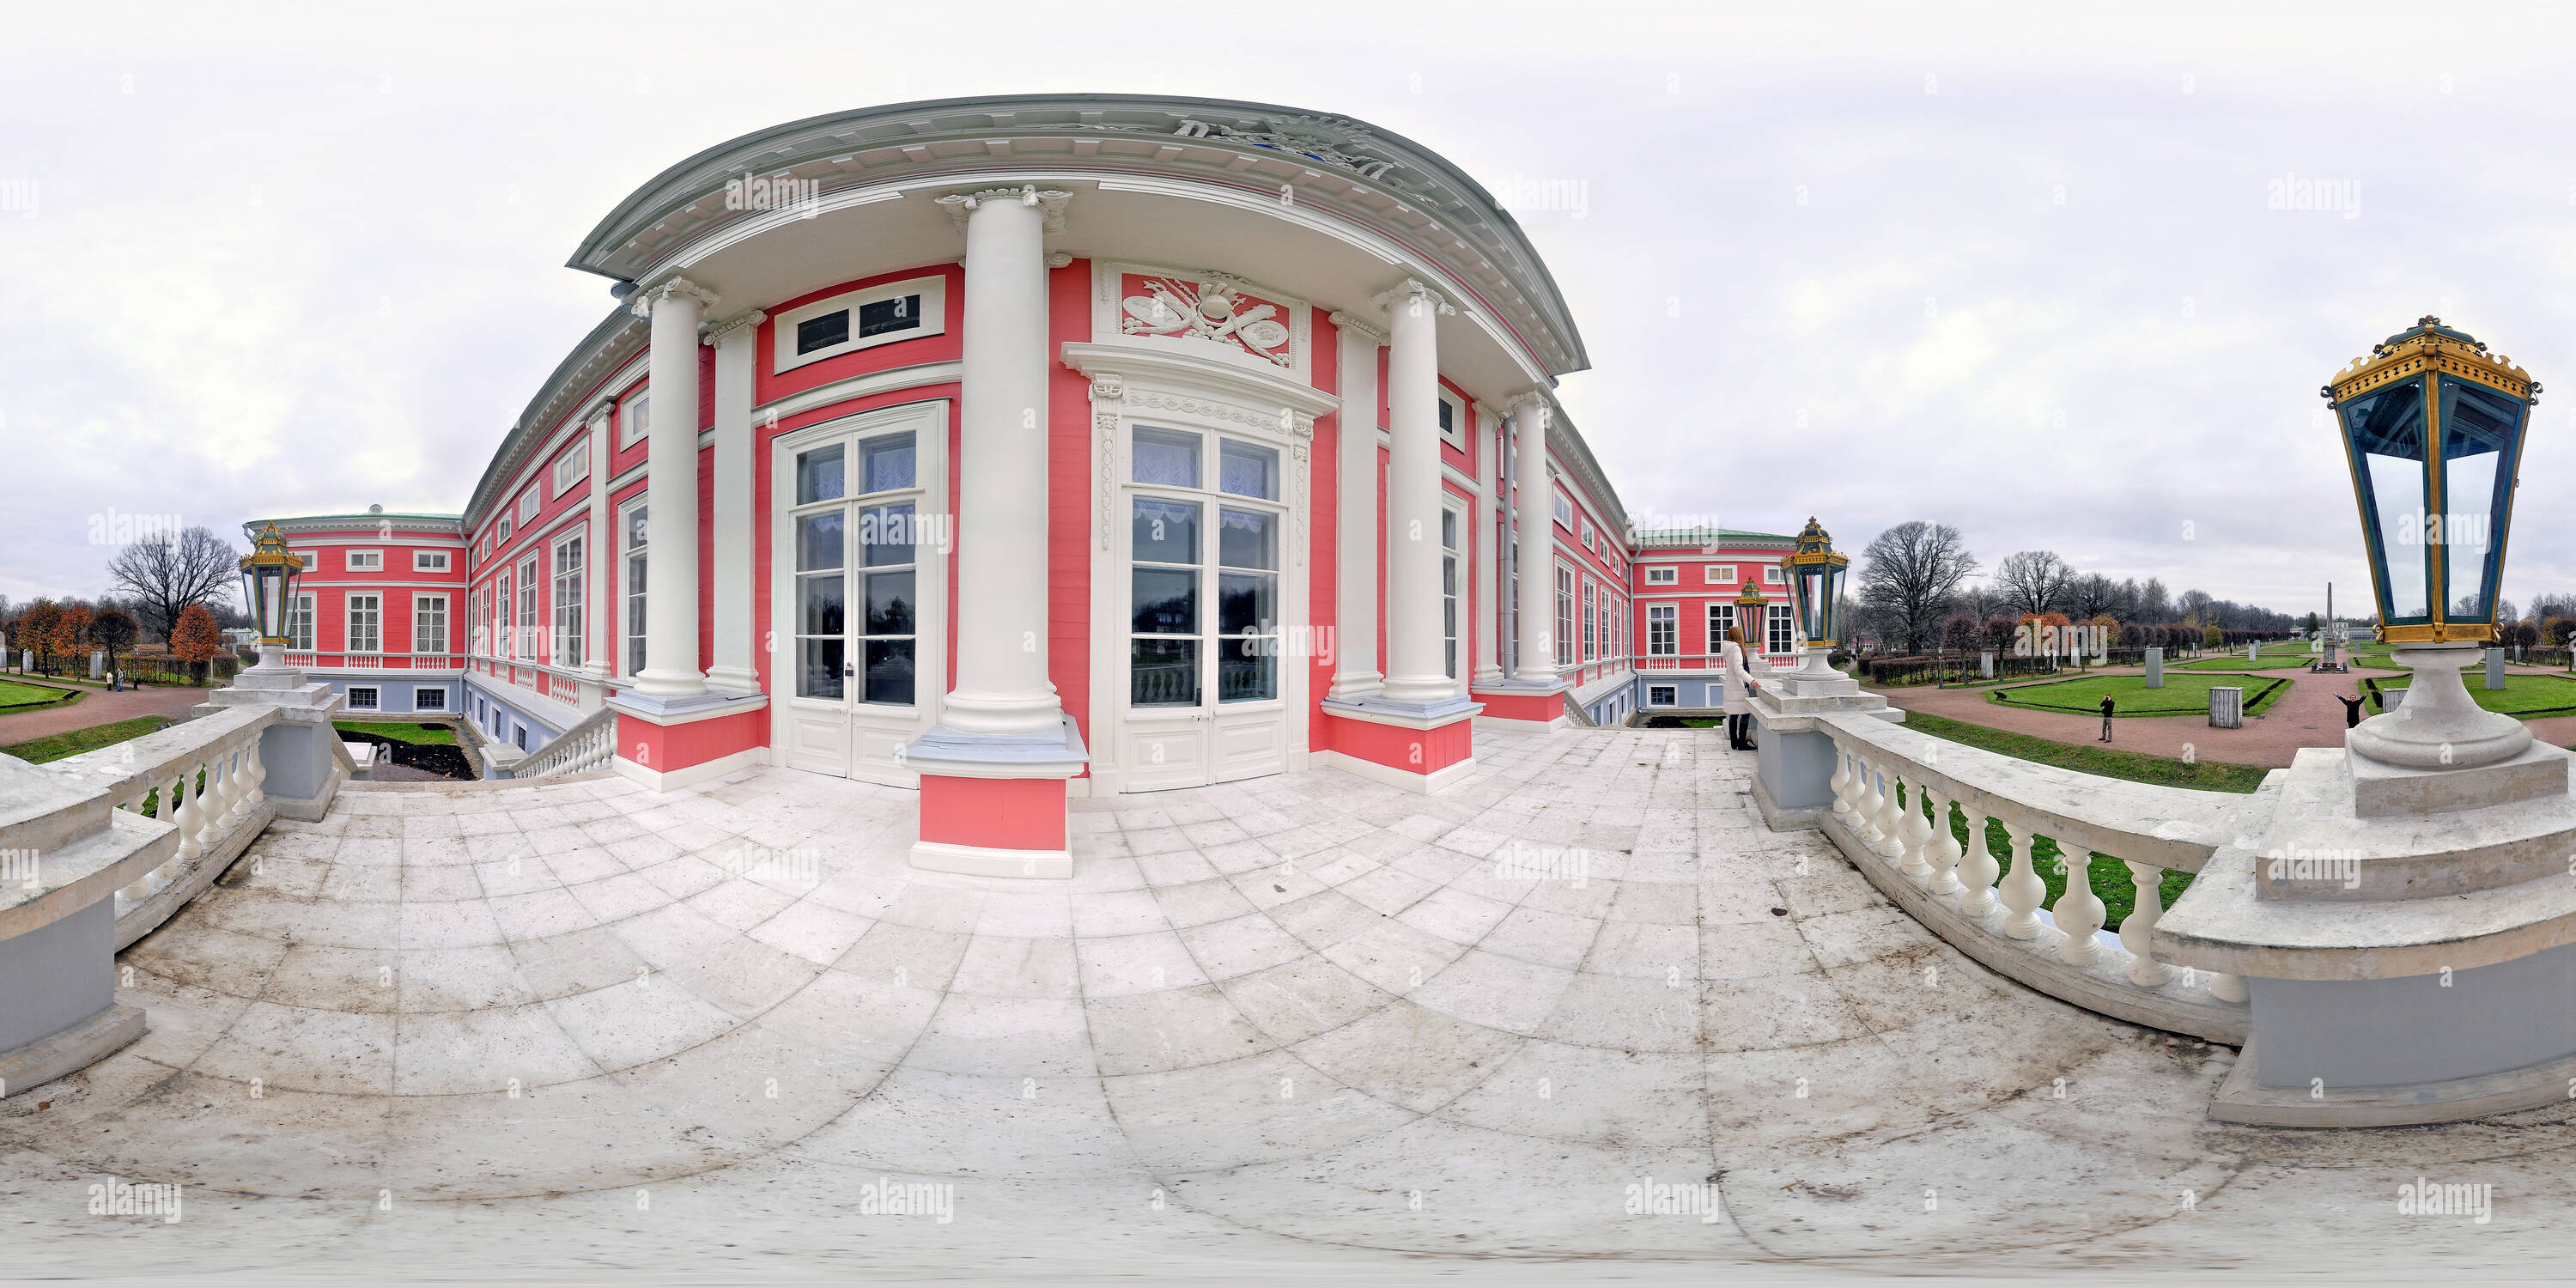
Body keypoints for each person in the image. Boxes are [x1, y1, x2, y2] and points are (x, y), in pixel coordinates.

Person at [1719, 625, 1754, 750]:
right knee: (1746, 714)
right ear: (1739, 635)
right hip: (1738, 686)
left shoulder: (1728, 649)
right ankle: (1741, 743)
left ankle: (1734, 742)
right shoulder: (1736, 649)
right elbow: (1739, 669)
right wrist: (1752, 680)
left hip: (1731, 685)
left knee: (1733, 715)